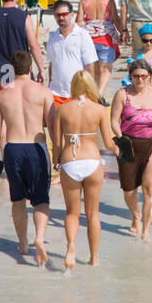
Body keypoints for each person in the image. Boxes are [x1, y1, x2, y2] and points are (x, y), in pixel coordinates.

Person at [0, 50, 54, 266]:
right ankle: (39, 239)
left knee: (18, 199)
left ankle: (23, 243)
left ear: (11, 70)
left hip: (13, 148)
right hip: (37, 147)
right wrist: (60, 152)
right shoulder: (43, 92)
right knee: (41, 199)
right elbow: (52, 125)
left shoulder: (1, 95)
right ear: (31, 68)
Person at [50, 71, 116, 269]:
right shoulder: (98, 110)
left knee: (72, 213)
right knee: (93, 214)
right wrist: (120, 149)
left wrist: (56, 163)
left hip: (70, 160)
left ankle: (71, 246)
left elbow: (57, 143)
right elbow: (108, 142)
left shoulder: (62, 110)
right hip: (92, 161)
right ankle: (93, 259)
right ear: (90, 87)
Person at [0, 0, 44, 161]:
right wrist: (41, 69)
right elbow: (34, 45)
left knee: (0, 119)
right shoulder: (24, 17)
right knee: (22, 114)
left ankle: (5, 157)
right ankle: (23, 153)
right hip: (20, 71)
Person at [110, 57, 152, 240]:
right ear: (130, 76)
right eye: (136, 76)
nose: (140, 80)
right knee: (129, 190)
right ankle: (136, 214)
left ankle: (146, 230)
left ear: (150, 76)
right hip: (128, 144)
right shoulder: (122, 94)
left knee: (149, 189)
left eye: (144, 76)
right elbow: (114, 120)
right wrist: (120, 138)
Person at [77, 0, 123, 97]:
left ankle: (91, 94)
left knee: (92, 70)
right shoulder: (109, 0)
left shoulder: (84, 0)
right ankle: (99, 94)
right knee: (106, 69)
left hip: (88, 40)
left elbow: (79, 22)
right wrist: (123, 32)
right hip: (106, 39)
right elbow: (115, 19)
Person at [46, 0, 98, 106]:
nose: (61, 17)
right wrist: (49, 86)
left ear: (71, 15)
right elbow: (51, 65)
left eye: (64, 14)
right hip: (55, 93)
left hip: (78, 94)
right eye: (57, 15)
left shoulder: (83, 35)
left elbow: (90, 67)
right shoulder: (52, 37)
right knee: (54, 123)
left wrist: (89, 93)